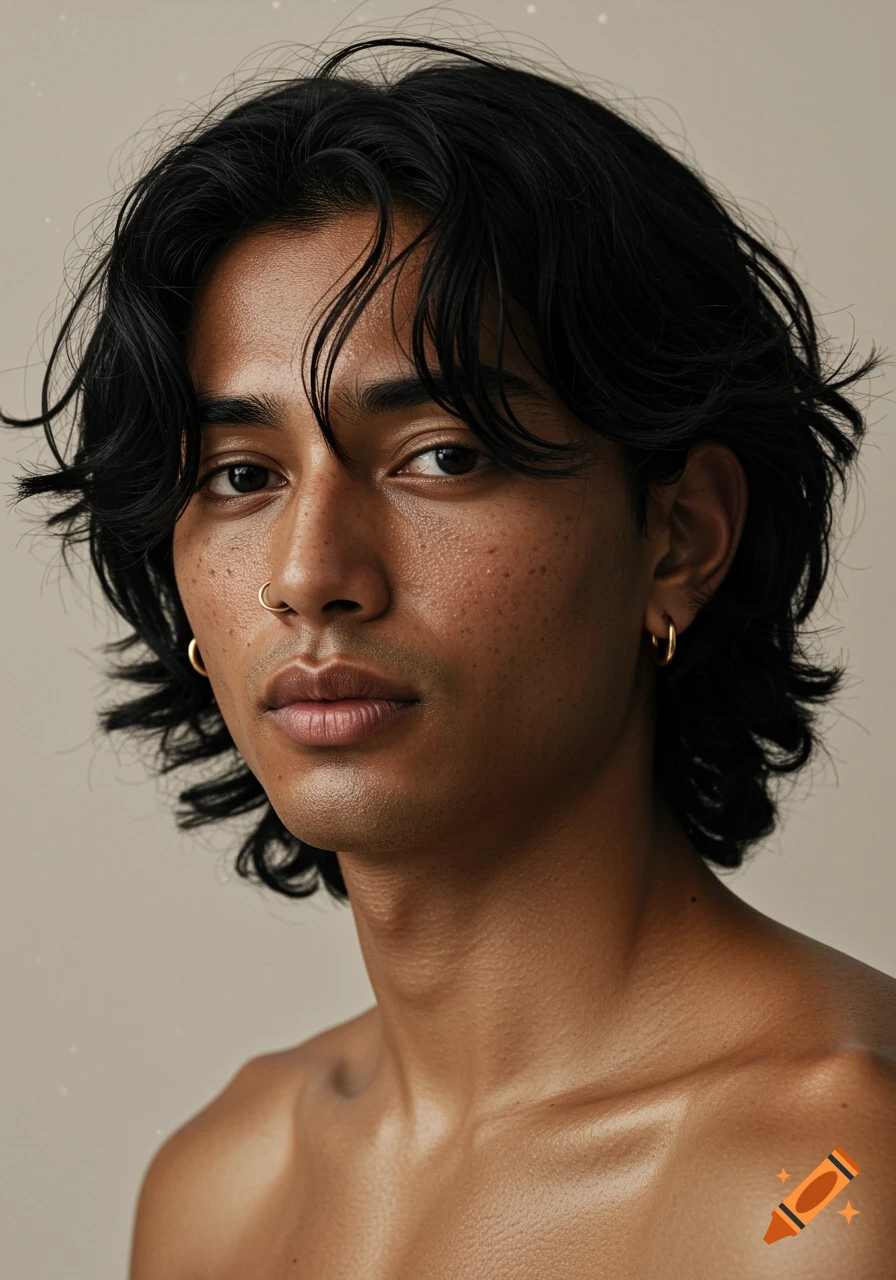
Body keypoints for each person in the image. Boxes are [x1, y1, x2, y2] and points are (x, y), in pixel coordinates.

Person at [5, 33, 894, 1279]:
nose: (310, 573)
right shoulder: (221, 1187)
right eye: (241, 476)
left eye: (443, 455)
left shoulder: (828, 1188)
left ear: (678, 533)